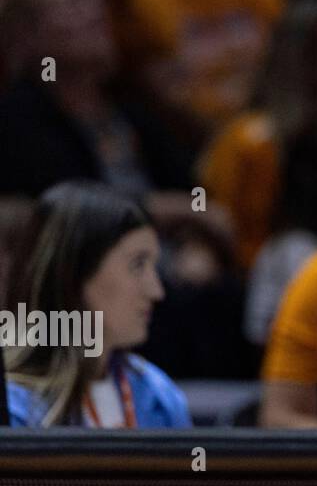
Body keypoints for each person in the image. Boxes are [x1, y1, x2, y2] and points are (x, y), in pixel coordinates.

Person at [3, 181, 190, 428]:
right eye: (137, 265)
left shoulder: (159, 394)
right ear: (74, 275)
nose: (157, 291)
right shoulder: (11, 405)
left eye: (154, 266)